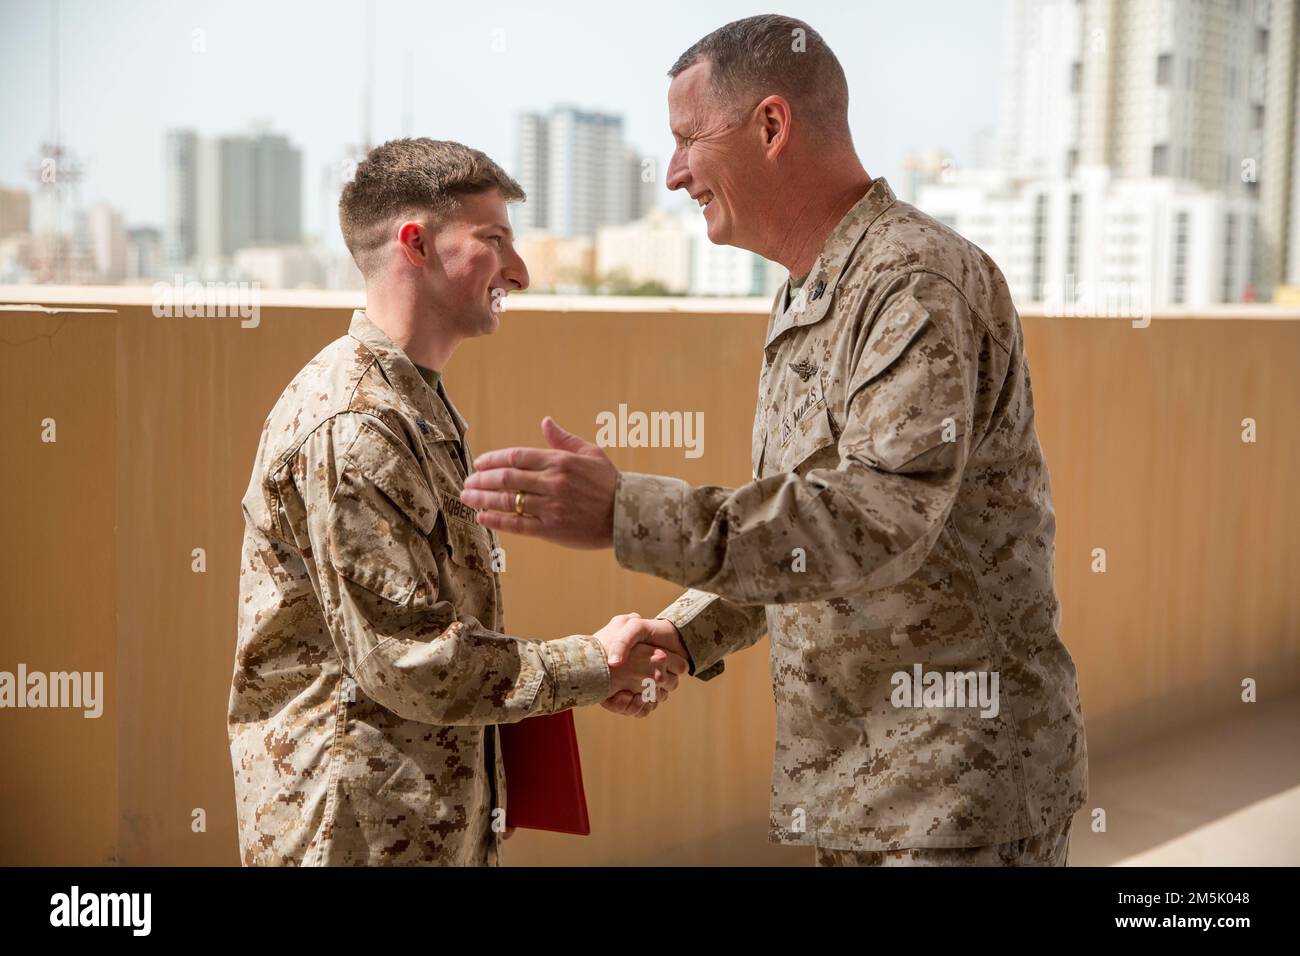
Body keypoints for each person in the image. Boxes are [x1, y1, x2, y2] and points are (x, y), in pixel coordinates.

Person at [461, 16, 1088, 866]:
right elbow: (807, 533)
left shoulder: (914, 284)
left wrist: (626, 513)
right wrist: (688, 634)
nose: (675, 171)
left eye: (687, 139)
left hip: (953, 796)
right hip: (853, 788)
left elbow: (876, 520)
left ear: (770, 126)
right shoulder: (812, 290)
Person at [228, 138, 686, 867]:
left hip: (415, 822)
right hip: (353, 834)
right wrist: (594, 662)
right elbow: (410, 662)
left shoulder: (412, 407)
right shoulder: (356, 425)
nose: (520, 272)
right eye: (493, 240)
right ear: (416, 244)